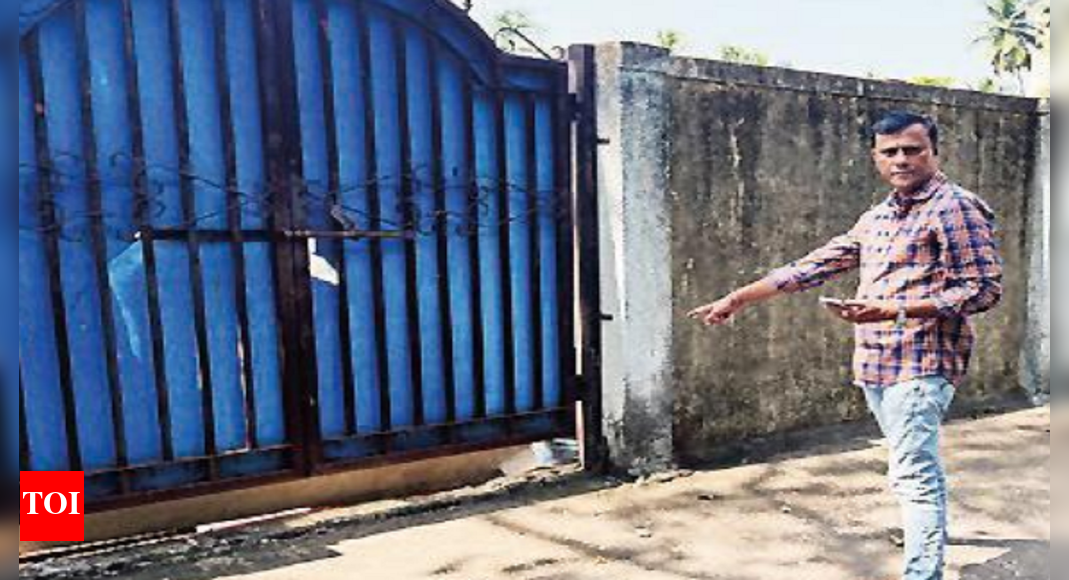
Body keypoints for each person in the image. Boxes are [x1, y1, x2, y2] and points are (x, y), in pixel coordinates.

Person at [687, 111, 1004, 580]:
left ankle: (923, 572)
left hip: (924, 360)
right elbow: (810, 267)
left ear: (933, 152)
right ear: (876, 158)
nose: (901, 159)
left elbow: (981, 289)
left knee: (915, 472)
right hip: (876, 361)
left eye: (913, 149)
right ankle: (925, 534)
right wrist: (737, 299)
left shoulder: (954, 207)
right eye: (890, 151)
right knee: (906, 465)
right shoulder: (876, 218)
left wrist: (896, 310)